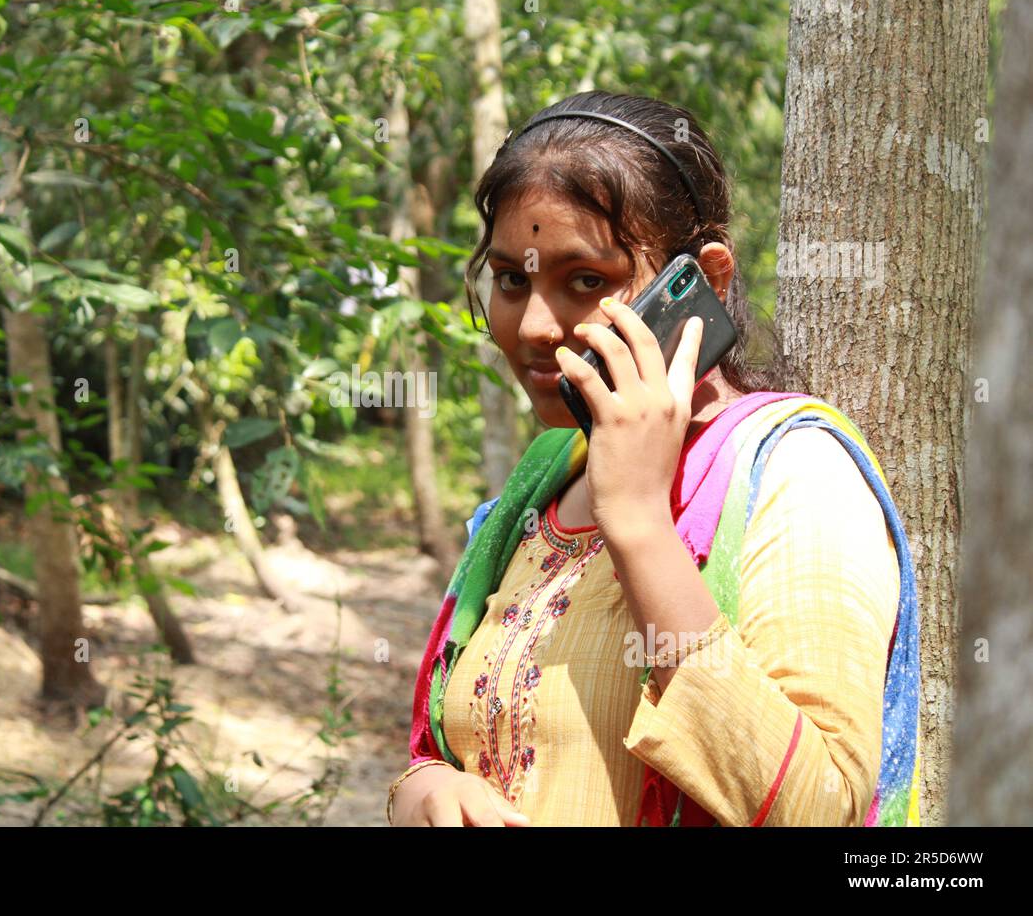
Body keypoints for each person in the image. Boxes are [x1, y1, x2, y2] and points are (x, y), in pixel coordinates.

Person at [387, 90, 921, 827]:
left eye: (586, 281)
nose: (537, 325)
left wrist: (638, 521)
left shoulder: (797, 479)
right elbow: (446, 750)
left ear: (707, 279)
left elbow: (821, 809)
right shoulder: (541, 486)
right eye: (513, 279)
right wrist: (423, 792)